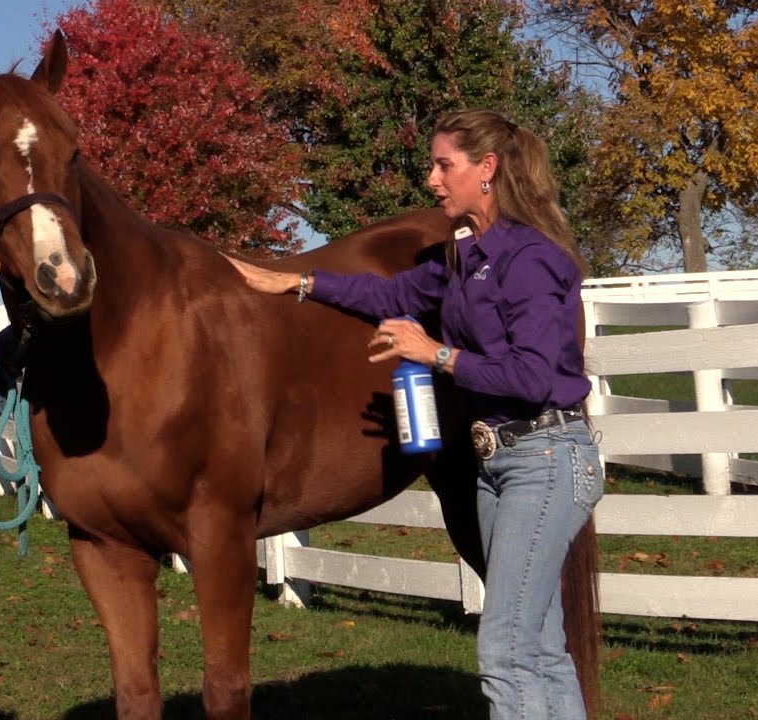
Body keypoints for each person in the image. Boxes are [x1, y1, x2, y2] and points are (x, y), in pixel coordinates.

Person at [225, 109, 605, 719]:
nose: (431, 178)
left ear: (487, 170)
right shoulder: (463, 257)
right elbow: (386, 294)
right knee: (539, 645)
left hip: (547, 457)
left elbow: (533, 378)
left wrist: (436, 354)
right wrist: (291, 284)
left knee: (506, 648)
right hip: (499, 461)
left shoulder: (529, 259)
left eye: (443, 165)